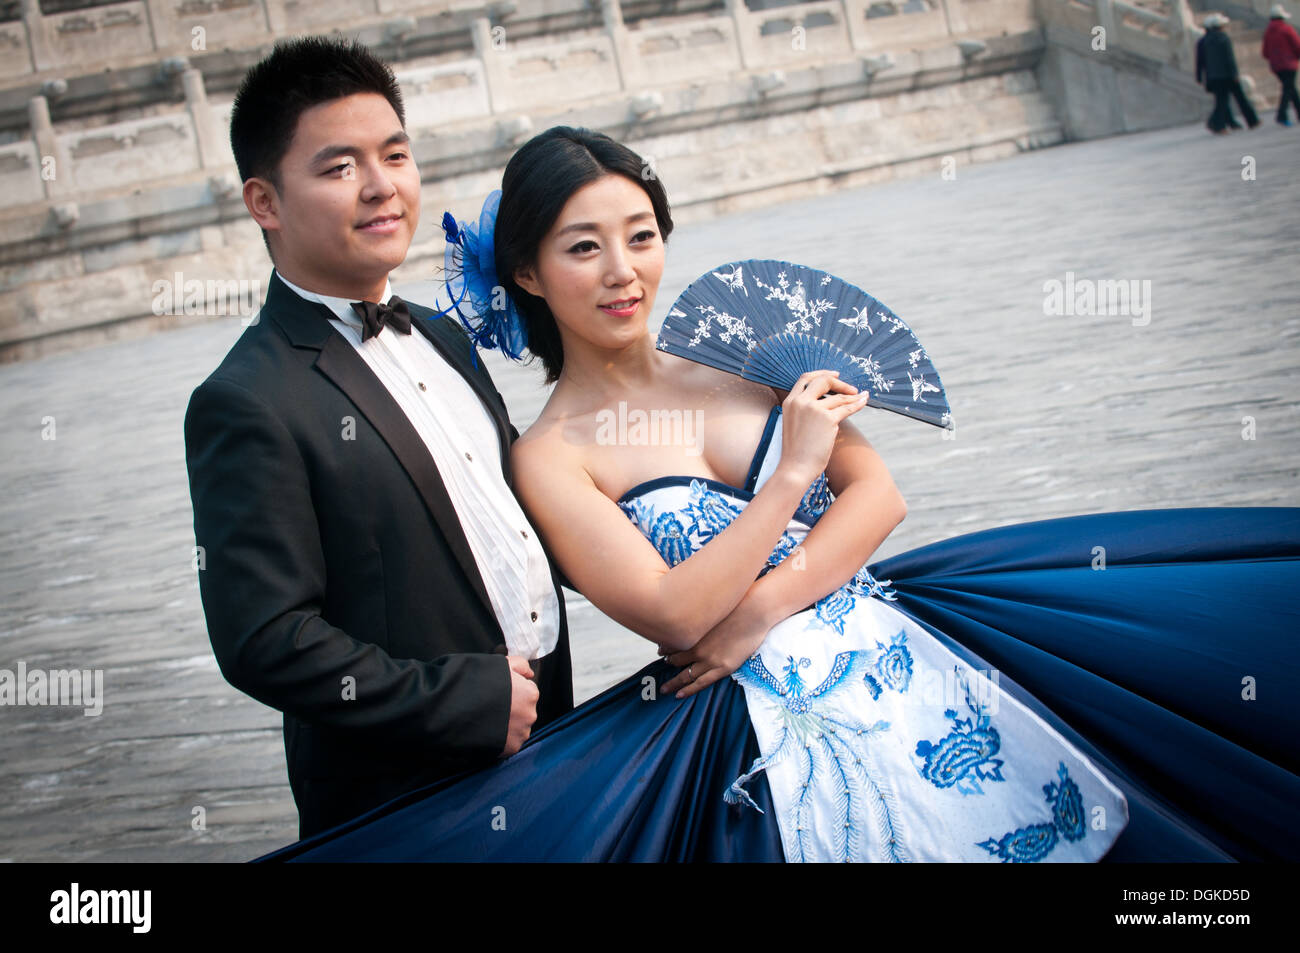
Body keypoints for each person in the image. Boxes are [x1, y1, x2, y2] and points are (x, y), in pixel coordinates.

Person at [255, 126, 1300, 863]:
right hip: (760, 731)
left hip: (906, 655)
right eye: (584, 246)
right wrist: (791, 472)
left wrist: (759, 604)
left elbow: (878, 496)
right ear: (528, 273)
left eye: (641, 233)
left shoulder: (737, 357)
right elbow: (670, 612)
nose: (624, 270)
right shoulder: (551, 455)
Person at [183, 37, 574, 840]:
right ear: (264, 202)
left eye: (395, 155)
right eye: (338, 168)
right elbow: (265, 638)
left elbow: (512, 524)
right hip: (410, 808)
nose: (381, 186)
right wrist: (459, 701)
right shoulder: (246, 399)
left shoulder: (445, 338)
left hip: (556, 764)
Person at [1197, 13, 1261, 133]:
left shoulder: (1204, 42)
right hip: (1228, 75)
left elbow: (1201, 62)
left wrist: (1200, 76)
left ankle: (1220, 124)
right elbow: (1229, 58)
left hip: (1214, 77)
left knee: (1221, 102)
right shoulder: (1223, 38)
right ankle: (1251, 121)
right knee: (1240, 99)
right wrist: (1234, 74)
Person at [1262, 4, 1300, 126]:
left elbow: (1265, 52)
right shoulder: (1286, 29)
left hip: (1277, 67)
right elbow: (1297, 45)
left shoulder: (1268, 32)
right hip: (1289, 64)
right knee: (1288, 90)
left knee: (1291, 89)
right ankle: (1281, 115)